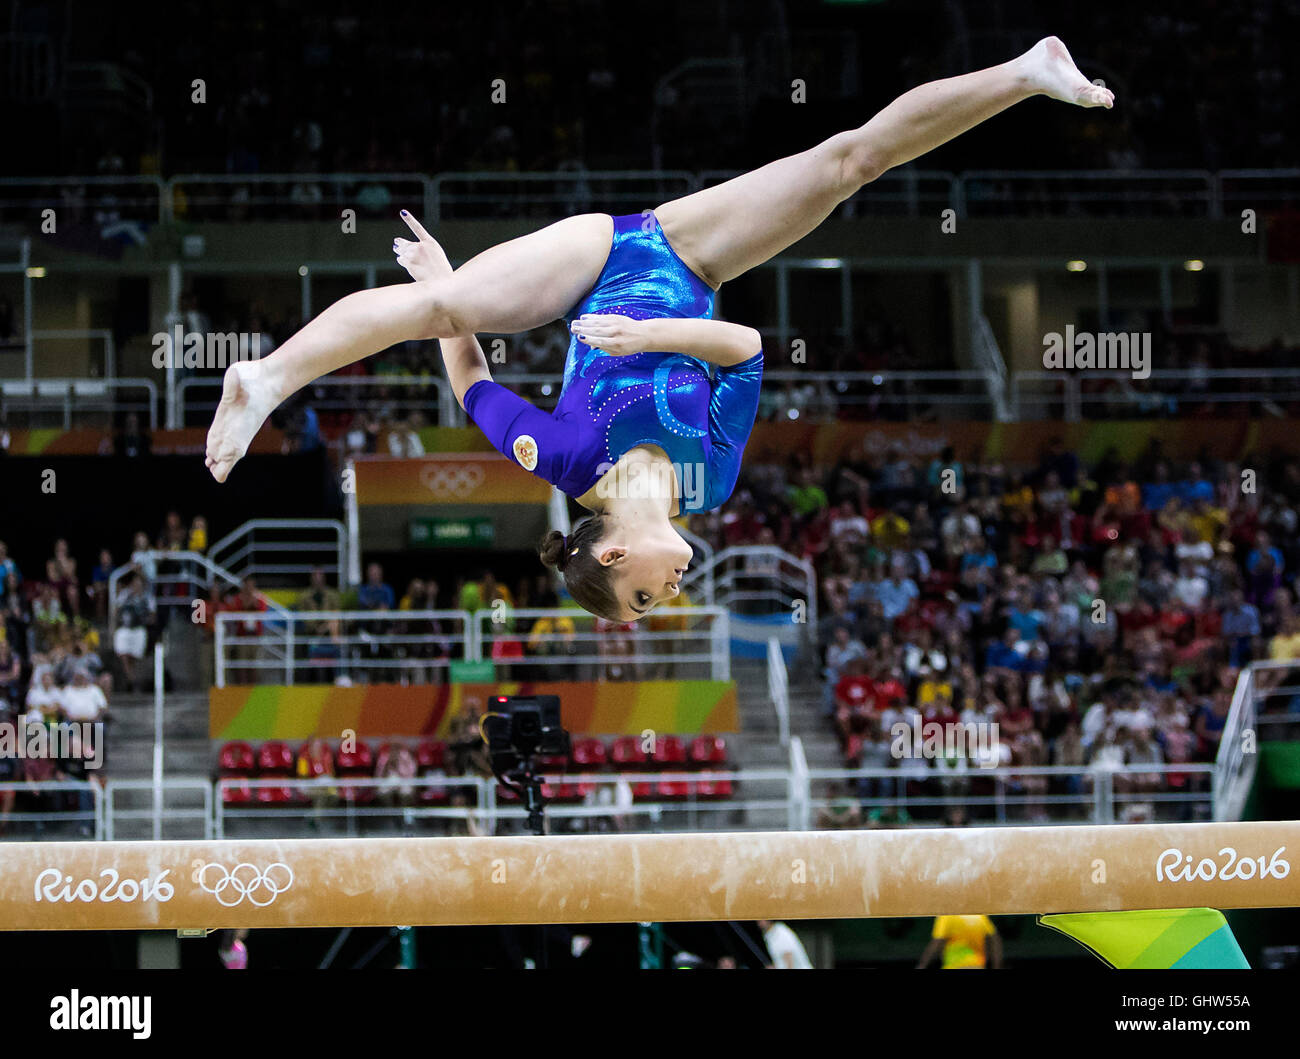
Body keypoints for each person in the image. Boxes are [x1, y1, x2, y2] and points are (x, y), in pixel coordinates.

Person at [206, 37, 1113, 624]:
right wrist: (659, 337)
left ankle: (270, 377)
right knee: (850, 163)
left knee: (442, 312)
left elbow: (472, 381)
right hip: (690, 258)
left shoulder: (560, 458)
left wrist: (453, 288)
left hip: (596, 258)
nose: (670, 592)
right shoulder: (707, 480)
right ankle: (1027, 72)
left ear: (607, 552)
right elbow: (748, 349)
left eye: (644, 593)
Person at [919, 915, 1002, 969]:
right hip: (976, 965)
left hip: (955, 965)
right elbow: (995, 939)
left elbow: (936, 943)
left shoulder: (947, 916)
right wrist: (997, 965)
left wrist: (923, 965)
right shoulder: (979, 916)